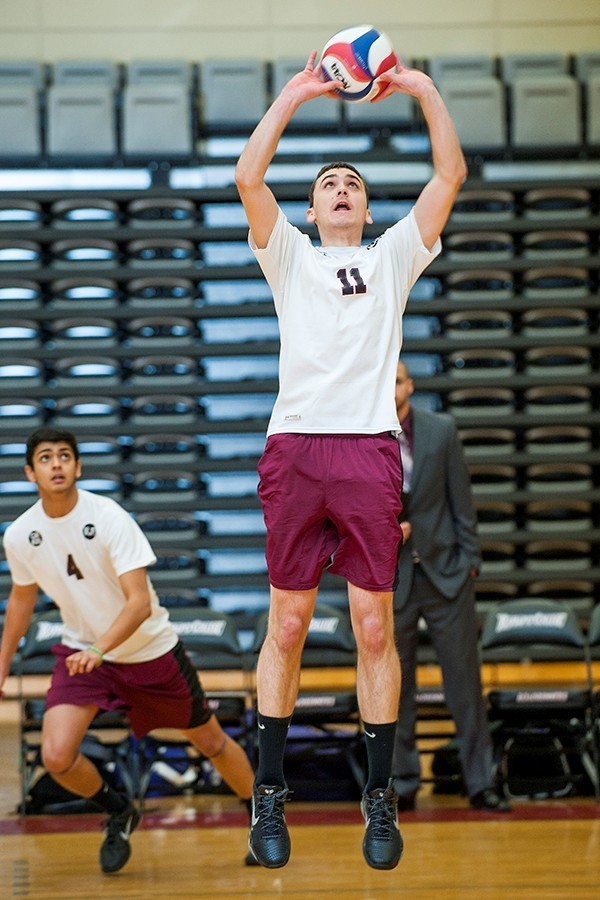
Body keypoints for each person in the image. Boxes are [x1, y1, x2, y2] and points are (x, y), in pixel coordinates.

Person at [234, 51, 467, 870]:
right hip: (296, 447)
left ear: (367, 210)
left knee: (374, 625)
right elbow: (247, 174)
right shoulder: (289, 255)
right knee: (288, 625)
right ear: (312, 206)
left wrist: (423, 90)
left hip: (369, 450)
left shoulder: (392, 256)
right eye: (329, 182)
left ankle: (379, 797)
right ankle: (268, 796)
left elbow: (449, 173)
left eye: (354, 184)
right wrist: (297, 92)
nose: (341, 188)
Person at [0, 428, 256, 875]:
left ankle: (263, 821)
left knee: (210, 740)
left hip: (148, 652)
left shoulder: (110, 516)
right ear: (30, 472)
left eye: (64, 456)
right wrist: (1, 667)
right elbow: (22, 600)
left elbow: (139, 603)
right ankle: (119, 811)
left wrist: (102, 647)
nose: (56, 464)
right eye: (45, 457)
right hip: (84, 654)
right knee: (56, 756)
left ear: (78, 467)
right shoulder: (22, 534)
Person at [391, 361, 511, 812]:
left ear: (411, 384)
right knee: (394, 686)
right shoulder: (365, 434)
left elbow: (462, 499)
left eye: (398, 379)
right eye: (385, 378)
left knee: (464, 683)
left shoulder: (441, 430)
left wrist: (471, 562)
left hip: (445, 574)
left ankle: (481, 782)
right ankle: (402, 784)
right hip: (392, 579)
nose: (392, 386)